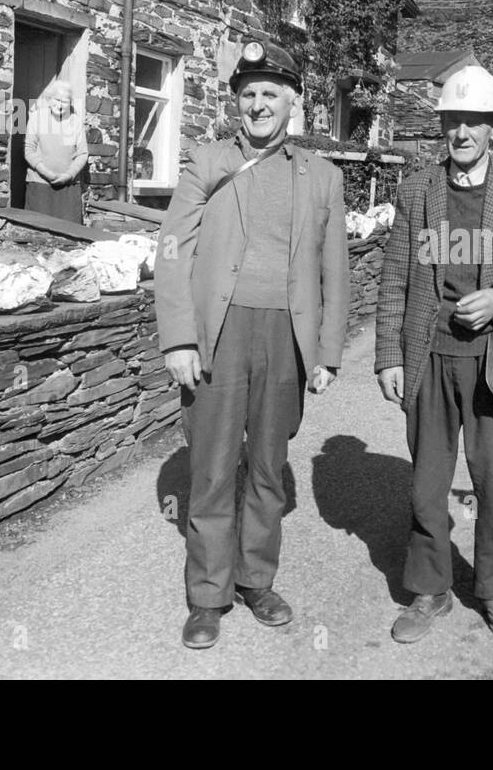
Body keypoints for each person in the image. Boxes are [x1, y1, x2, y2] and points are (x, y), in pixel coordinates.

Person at [155, 34, 349, 650]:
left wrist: (327, 353)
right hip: (220, 334)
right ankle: (208, 595)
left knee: (269, 466)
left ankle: (256, 579)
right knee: (211, 467)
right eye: (248, 94)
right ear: (236, 103)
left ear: (294, 102)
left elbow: (334, 271)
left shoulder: (323, 177)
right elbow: (170, 253)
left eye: (270, 93)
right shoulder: (206, 163)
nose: (258, 104)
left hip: (286, 339)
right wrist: (179, 339)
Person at [375, 65, 493, 644]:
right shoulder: (417, 190)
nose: (461, 133)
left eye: (474, 122)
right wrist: (388, 354)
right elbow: (394, 280)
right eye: (452, 121)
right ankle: (429, 590)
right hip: (429, 356)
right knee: (427, 485)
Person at [23, 80, 87, 222]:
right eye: (57, 100)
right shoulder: (36, 118)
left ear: (70, 103)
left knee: (69, 233)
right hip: (40, 185)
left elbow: (82, 153)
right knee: (37, 230)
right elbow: (29, 150)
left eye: (64, 101)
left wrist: (69, 175)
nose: (59, 105)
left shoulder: (75, 121)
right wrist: (46, 173)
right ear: (50, 99)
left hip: (68, 188)